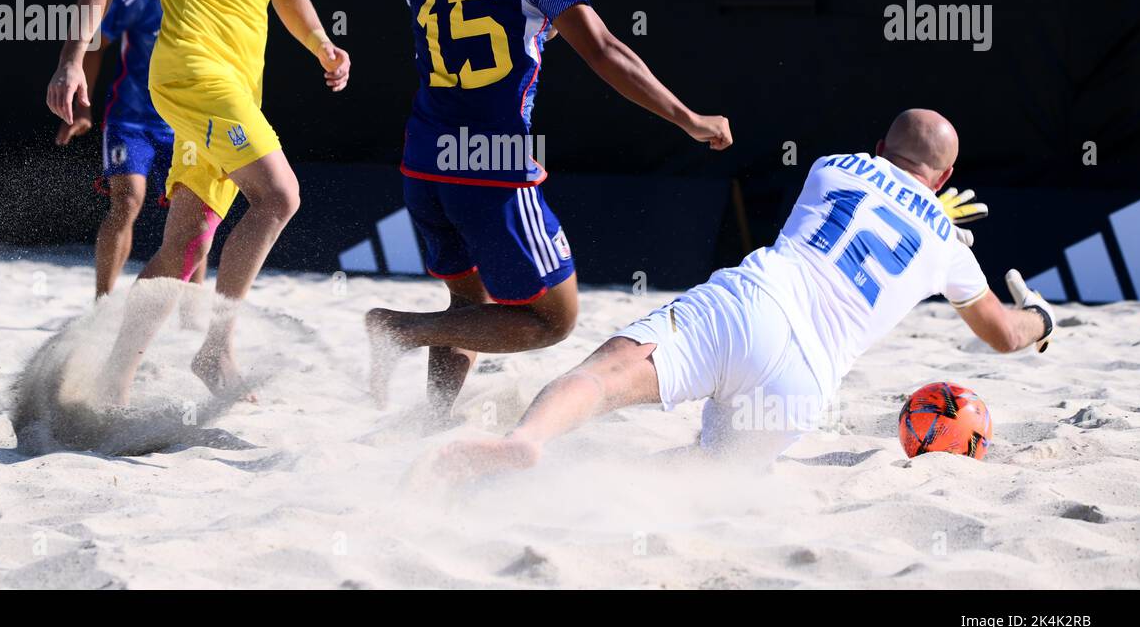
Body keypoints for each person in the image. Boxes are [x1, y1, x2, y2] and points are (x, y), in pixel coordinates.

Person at [433, 108, 1056, 478]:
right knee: (707, 471)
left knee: (609, 372)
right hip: (805, 384)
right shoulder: (946, 242)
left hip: (750, 307)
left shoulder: (832, 165)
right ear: (945, 178)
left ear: (878, 148)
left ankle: (525, 443)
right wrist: (1039, 320)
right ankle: (589, 491)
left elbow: (874, 202)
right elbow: (1003, 334)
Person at [366, 0, 732, 423]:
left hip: (425, 160)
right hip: (492, 164)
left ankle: (428, 422)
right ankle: (396, 329)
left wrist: (535, 33)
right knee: (552, 319)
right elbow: (608, 51)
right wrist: (689, 119)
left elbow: (487, 35)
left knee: (467, 305)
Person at [45, 0, 350, 404]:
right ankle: (217, 349)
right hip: (189, 74)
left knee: (185, 243)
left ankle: (110, 379)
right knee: (280, 196)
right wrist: (73, 58)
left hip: (240, 85)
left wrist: (321, 43)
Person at [55, 0, 211, 301]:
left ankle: (192, 305)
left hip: (188, 124)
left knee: (195, 212)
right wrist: (84, 108)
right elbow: (95, 42)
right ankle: (103, 302)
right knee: (127, 202)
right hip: (131, 120)